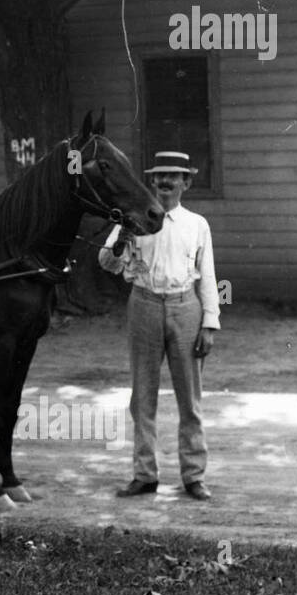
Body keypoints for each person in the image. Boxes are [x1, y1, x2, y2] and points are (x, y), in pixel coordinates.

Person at [99, 150, 220, 501]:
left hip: (186, 307)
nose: (165, 183)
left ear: (186, 182)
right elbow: (105, 262)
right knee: (142, 396)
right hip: (144, 305)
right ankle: (144, 474)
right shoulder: (133, 219)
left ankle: (194, 476)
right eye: (158, 177)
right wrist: (122, 235)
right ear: (151, 181)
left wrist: (210, 323)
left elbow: (208, 278)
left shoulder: (197, 224)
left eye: (173, 176)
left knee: (190, 398)